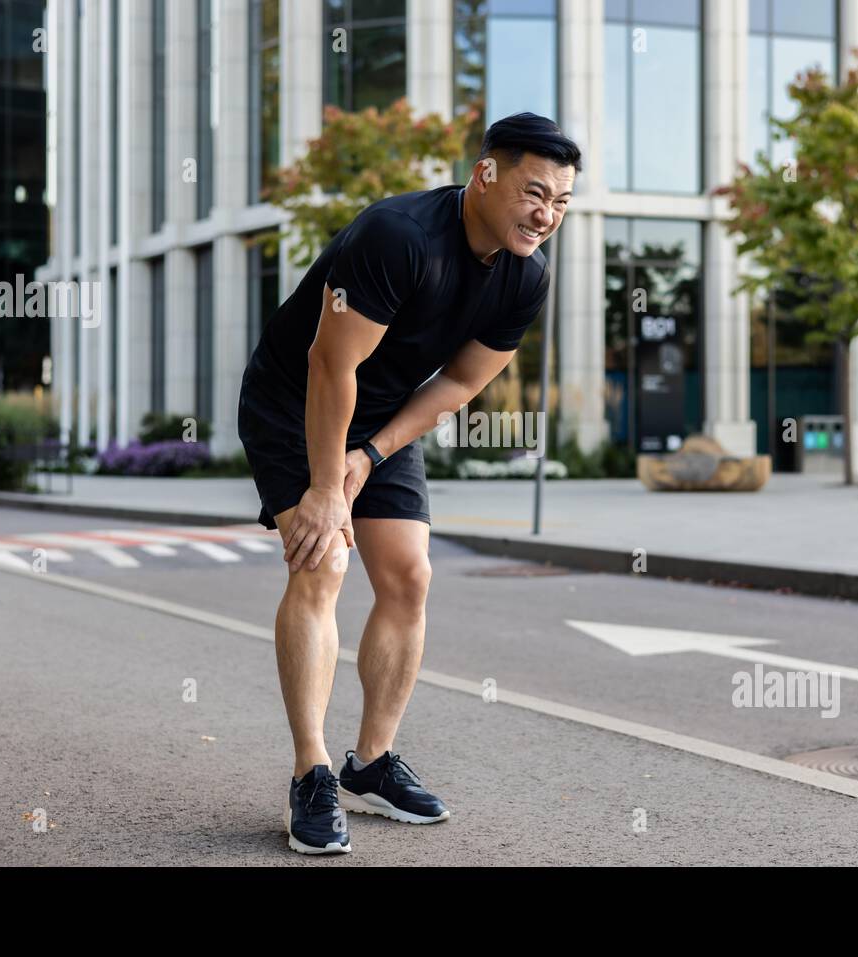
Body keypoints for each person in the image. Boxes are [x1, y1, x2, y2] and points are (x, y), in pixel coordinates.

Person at [238, 112, 581, 855]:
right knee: (323, 558)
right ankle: (312, 773)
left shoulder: (527, 274)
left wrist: (374, 453)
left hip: (384, 412)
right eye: (534, 192)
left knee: (409, 577)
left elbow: (459, 380)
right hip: (295, 399)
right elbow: (331, 366)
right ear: (486, 172)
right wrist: (330, 484)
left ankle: (371, 762)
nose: (545, 215)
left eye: (560, 202)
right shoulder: (397, 235)